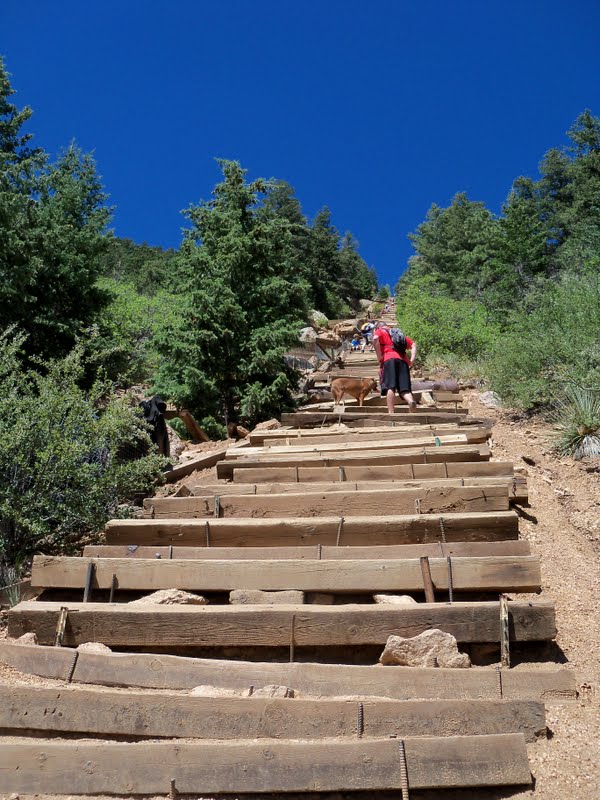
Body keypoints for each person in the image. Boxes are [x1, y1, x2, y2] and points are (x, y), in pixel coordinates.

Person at [372, 322, 418, 414]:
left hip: (389, 359)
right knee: (404, 388)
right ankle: (410, 401)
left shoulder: (379, 331)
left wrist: (379, 356)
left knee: (390, 386)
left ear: (378, 327)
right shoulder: (396, 332)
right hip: (403, 361)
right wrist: (412, 360)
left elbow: (375, 338)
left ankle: (391, 412)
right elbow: (413, 345)